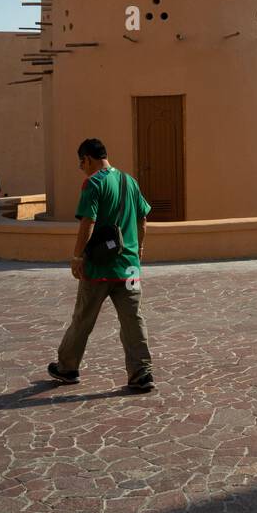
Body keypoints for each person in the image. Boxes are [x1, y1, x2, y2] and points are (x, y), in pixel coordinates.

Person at [48, 138, 155, 393]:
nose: (81, 168)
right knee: (133, 319)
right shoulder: (130, 182)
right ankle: (141, 373)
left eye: (80, 162)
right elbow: (143, 218)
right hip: (128, 265)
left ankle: (67, 367)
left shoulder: (93, 183)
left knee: (83, 318)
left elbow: (88, 222)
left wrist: (77, 257)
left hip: (99, 266)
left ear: (87, 159)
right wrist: (138, 250)